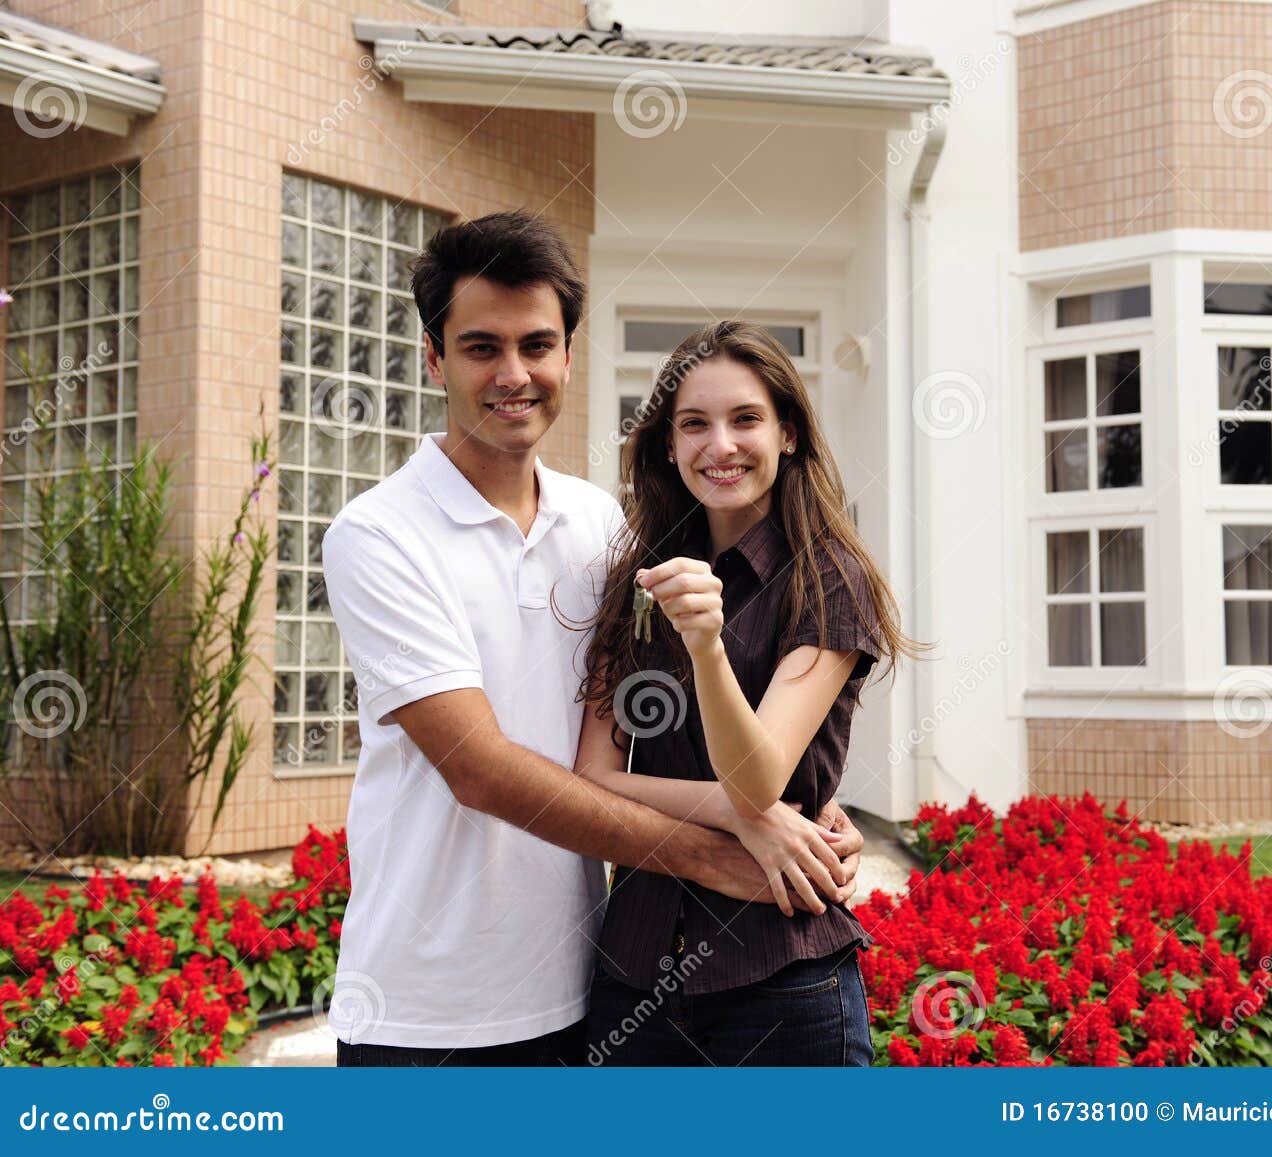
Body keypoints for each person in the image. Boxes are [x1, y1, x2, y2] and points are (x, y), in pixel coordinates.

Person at [321, 214, 864, 1067]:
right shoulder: (380, 535)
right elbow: (479, 768)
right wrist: (729, 845)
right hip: (428, 1011)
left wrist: (797, 809)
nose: (514, 374)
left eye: (537, 344)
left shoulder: (601, 524)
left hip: (588, 987)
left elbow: (668, 735)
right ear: (434, 358)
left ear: (569, 355)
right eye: (480, 347)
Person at [573, 321, 921, 1066]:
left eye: (746, 419)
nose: (718, 445)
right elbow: (593, 778)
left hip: (782, 983)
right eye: (693, 423)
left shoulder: (829, 580)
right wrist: (740, 817)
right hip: (634, 982)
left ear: (788, 432)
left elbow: (758, 774)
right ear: (667, 444)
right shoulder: (633, 581)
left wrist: (706, 645)